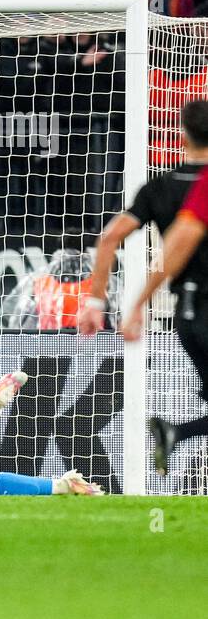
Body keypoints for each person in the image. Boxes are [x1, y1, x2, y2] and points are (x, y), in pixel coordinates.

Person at [108, 101, 208, 474]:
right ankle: (175, 433)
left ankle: (176, 433)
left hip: (188, 307)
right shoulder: (203, 188)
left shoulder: (160, 187)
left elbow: (112, 240)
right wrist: (139, 303)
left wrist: (134, 303)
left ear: (182, 136)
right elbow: (180, 244)